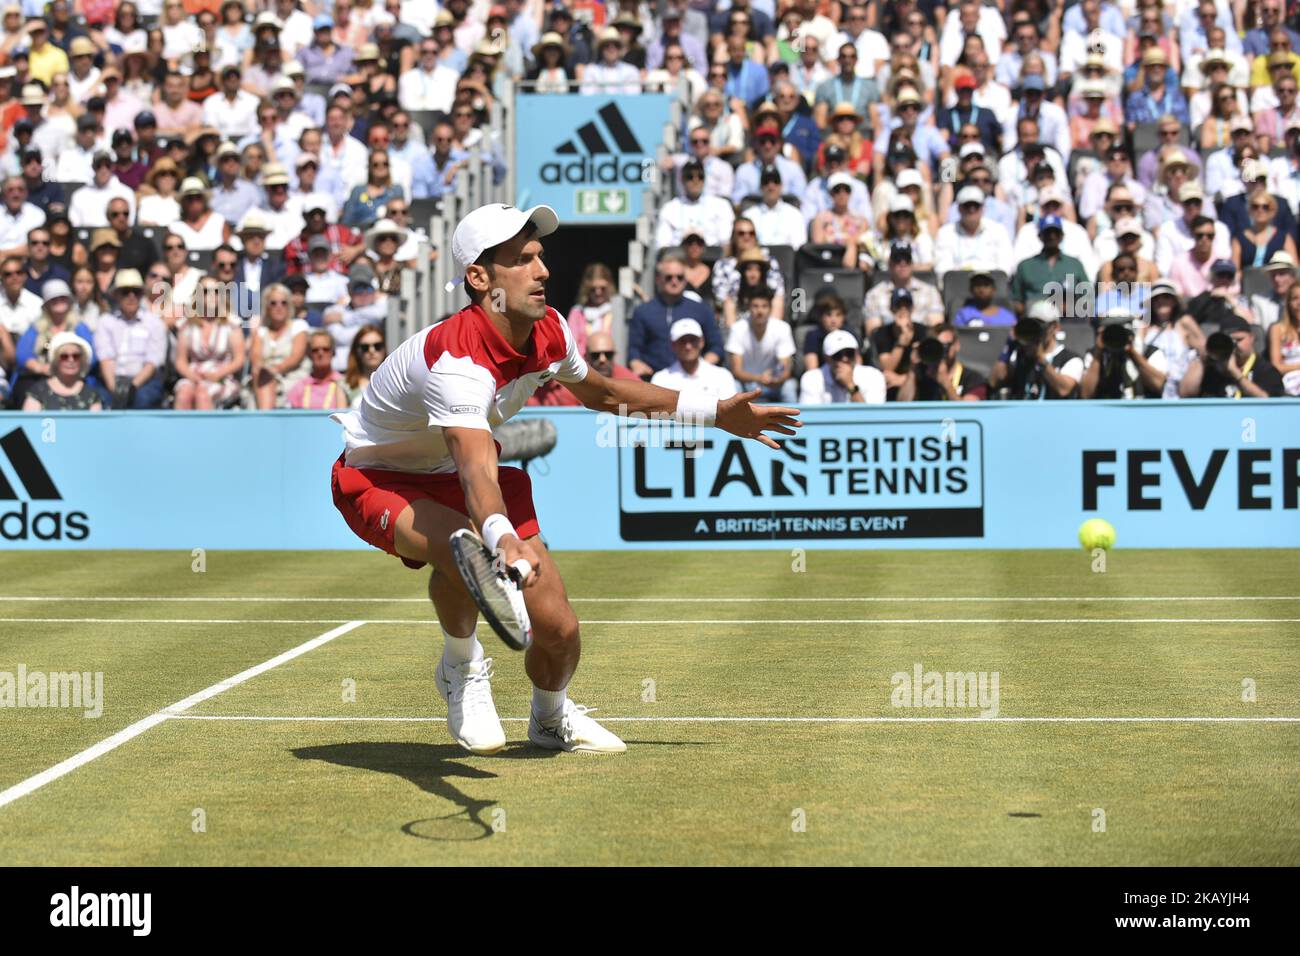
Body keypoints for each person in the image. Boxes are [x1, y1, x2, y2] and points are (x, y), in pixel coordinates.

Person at [328, 201, 798, 755]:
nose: (543, 269)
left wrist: (715, 413)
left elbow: (605, 393)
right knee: (465, 546)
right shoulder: (456, 363)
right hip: (381, 478)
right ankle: (461, 666)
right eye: (522, 259)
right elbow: (477, 471)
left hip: (455, 474)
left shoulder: (549, 329)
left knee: (559, 630)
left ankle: (550, 718)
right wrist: (501, 540)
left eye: (540, 256)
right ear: (480, 279)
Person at [629, 252, 724, 376]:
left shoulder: (701, 309)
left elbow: (716, 346)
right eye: (669, 277)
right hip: (654, 380)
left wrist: (702, 369)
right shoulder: (643, 311)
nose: (674, 282)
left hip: (695, 378)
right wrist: (636, 363)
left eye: (679, 277)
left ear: (685, 280)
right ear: (658, 279)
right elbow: (634, 349)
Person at [94, 269, 167, 408]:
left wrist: (132, 387)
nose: (131, 296)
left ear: (142, 295)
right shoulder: (105, 321)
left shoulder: (155, 323)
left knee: (142, 398)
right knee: (100, 400)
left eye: (136, 292)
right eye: (125, 292)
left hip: (145, 381)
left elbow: (152, 362)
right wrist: (115, 389)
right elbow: (105, 358)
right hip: (112, 379)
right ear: (116, 295)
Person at [173, 276, 247, 409]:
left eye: (217, 291)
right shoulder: (186, 324)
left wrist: (217, 374)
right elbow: (181, 361)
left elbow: (239, 359)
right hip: (193, 375)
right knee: (184, 394)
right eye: (206, 291)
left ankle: (205, 430)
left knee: (202, 394)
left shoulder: (231, 324)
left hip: (222, 376)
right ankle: (180, 430)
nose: (212, 295)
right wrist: (193, 376)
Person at [988, 301, 1083, 400]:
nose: (1037, 330)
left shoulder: (1071, 359)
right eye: (1033, 325)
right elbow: (994, 381)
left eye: (1041, 325)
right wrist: (1008, 348)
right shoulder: (1019, 356)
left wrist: (1040, 357)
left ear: (1055, 327)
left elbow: (1063, 389)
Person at [1183, 314, 1284, 398]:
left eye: (1239, 340)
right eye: (1229, 341)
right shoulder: (1213, 370)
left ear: (1252, 338)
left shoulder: (1266, 370)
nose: (1234, 346)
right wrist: (1201, 359)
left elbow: (1267, 402)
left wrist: (1235, 372)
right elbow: (1185, 394)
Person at [724, 285, 796, 403]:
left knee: (789, 386)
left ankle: (796, 420)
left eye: (764, 306)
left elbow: (785, 368)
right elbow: (736, 371)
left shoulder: (782, 328)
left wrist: (776, 378)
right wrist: (758, 378)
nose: (760, 311)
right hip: (746, 385)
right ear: (749, 308)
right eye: (755, 306)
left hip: (773, 385)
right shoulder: (737, 329)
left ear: (770, 308)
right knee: (733, 386)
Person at [1080, 310, 1169, 400]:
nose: (1116, 336)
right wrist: (1098, 355)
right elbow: (1086, 394)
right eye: (1112, 332)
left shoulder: (1150, 352)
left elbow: (1159, 385)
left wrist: (1132, 353)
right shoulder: (1094, 355)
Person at [250, 282, 309, 409]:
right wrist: (264, 372)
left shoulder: (299, 326)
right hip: (263, 377)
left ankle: (264, 422)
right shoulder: (261, 331)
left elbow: (295, 358)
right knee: (263, 378)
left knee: (266, 379)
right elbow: (256, 359)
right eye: (273, 303)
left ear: (289, 306)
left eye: (284, 302)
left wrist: (274, 370)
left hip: (291, 376)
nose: (279, 307)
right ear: (266, 306)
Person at [651, 317, 738, 399]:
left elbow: (731, 412)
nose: (688, 346)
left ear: (702, 342)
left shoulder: (722, 376)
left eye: (693, 340)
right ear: (673, 345)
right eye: (682, 341)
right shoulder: (660, 380)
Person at [798, 328, 885, 403]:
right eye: (837, 355)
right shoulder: (812, 379)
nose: (844, 359)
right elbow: (810, 417)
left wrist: (851, 386)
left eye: (849, 353)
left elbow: (872, 417)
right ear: (826, 358)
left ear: (857, 354)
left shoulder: (874, 376)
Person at [21, 331, 101, 411]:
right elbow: (30, 422)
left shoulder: (91, 395)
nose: (71, 360)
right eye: (64, 356)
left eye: (76, 356)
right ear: (55, 360)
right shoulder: (38, 392)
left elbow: (96, 422)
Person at [287, 329, 349, 408]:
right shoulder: (299, 387)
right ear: (309, 354)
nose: (320, 353)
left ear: (333, 352)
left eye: (326, 349)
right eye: (315, 350)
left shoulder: (345, 383)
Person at [1267, 284, 1300, 395]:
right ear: (1288, 303)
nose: (1299, 303)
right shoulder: (1277, 329)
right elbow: (1276, 366)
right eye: (1295, 298)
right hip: (1289, 381)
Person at [344, 323, 385, 407]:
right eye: (365, 347)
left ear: (384, 348)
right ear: (356, 351)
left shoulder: (395, 381)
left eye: (377, 346)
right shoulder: (345, 385)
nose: (371, 351)